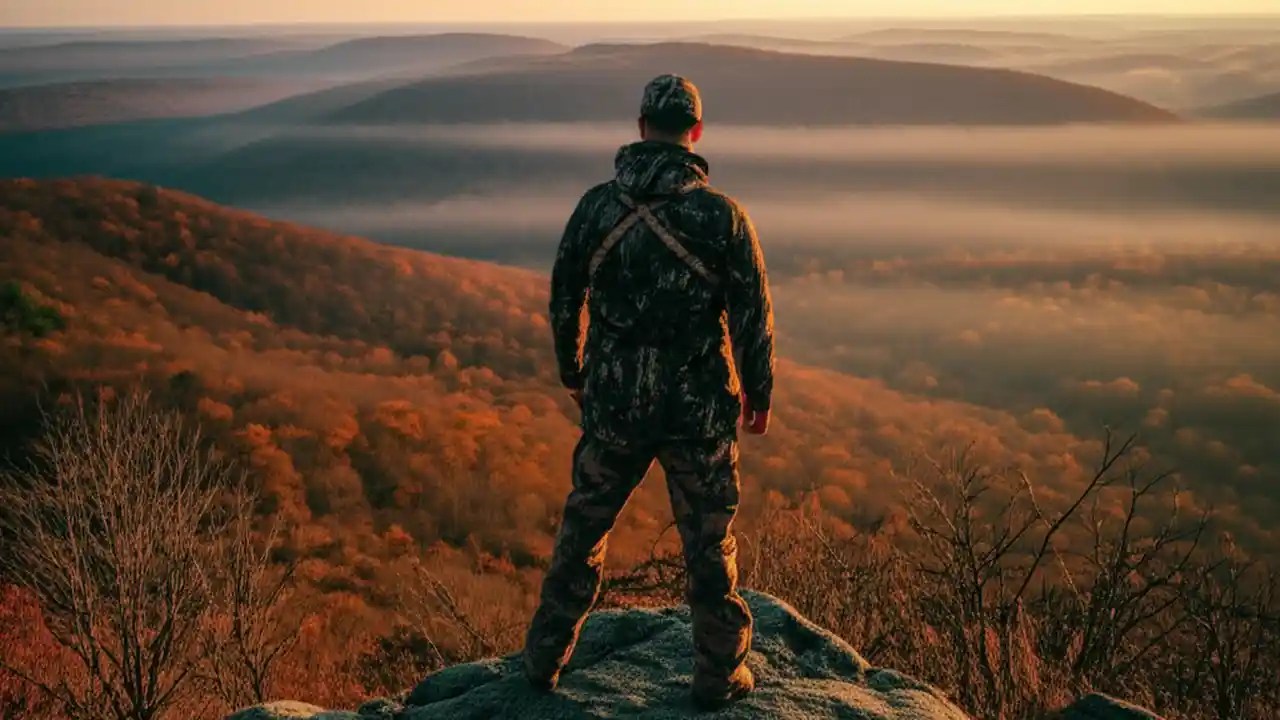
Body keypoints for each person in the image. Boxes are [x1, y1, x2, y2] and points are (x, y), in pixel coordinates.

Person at [521, 74, 775, 711]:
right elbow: (752, 314)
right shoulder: (722, 217)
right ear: (696, 133)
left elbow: (562, 296)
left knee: (583, 533)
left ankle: (544, 662)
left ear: (639, 128)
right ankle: (718, 676)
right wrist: (758, 393)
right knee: (709, 546)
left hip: (614, 407)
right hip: (698, 411)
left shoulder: (596, 209)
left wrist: (572, 369)